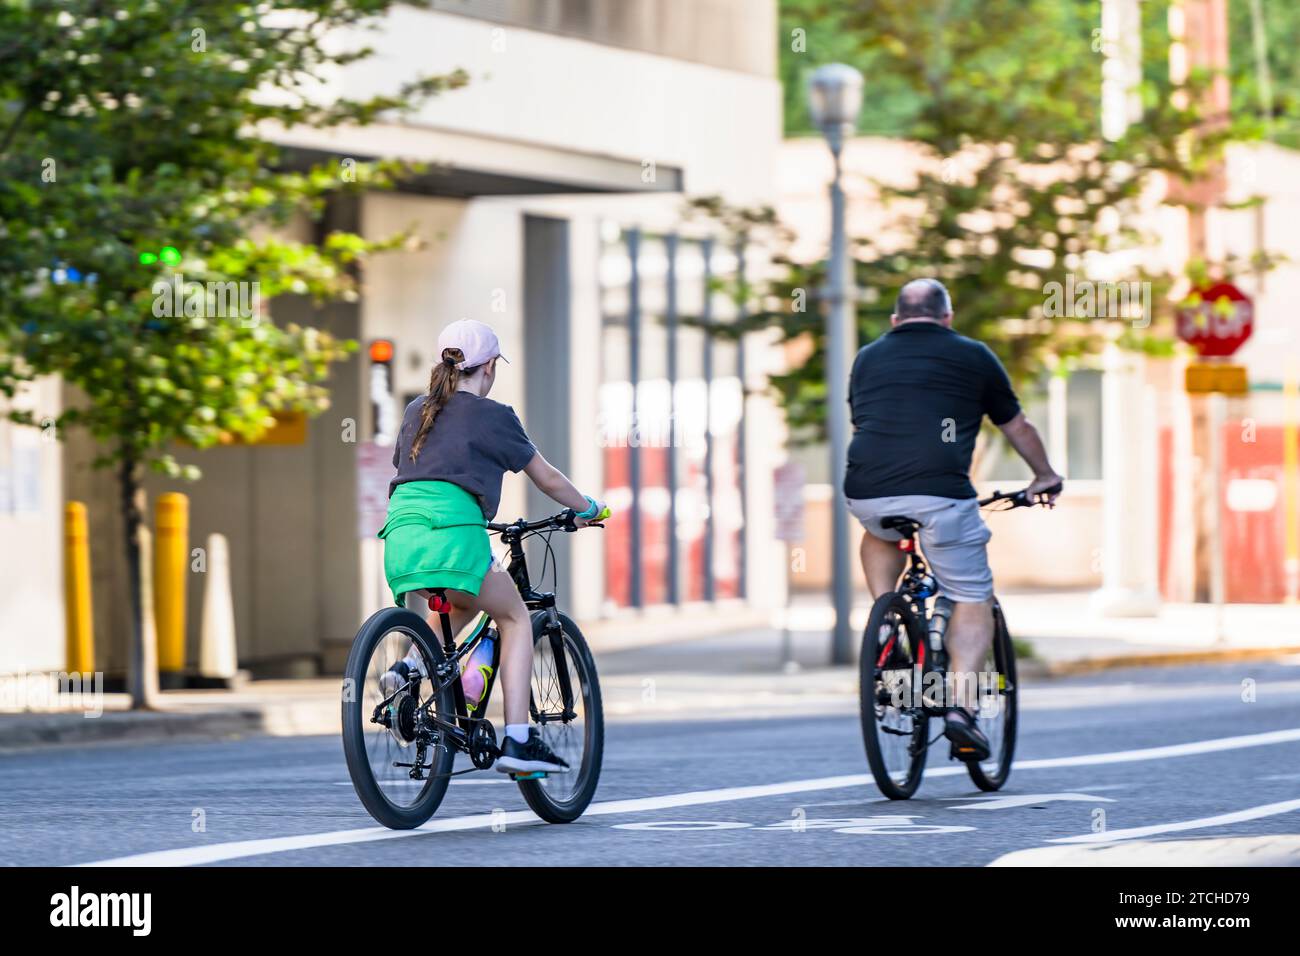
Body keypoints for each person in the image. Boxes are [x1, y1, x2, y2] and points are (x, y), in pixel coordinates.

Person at [845, 278, 1062, 761]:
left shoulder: (867, 357)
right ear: (947, 319)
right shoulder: (973, 354)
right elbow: (1017, 426)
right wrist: (1043, 475)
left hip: (866, 489)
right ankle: (961, 710)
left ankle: (887, 623)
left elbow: (867, 422)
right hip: (941, 494)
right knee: (970, 595)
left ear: (895, 321)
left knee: (878, 530)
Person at [378, 318, 607, 775]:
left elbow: (411, 470)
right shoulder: (496, 416)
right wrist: (588, 507)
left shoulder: (415, 411)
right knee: (516, 616)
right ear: (488, 369)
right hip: (454, 537)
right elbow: (547, 478)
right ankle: (519, 743)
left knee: (460, 600)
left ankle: (407, 669)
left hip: (401, 540)